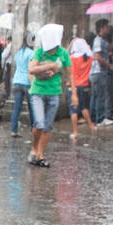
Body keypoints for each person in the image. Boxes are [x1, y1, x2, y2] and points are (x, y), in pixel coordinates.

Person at [27, 23, 73, 168]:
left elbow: (70, 74)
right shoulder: (39, 52)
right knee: (39, 123)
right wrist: (50, 66)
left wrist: (74, 93)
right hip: (38, 92)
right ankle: (34, 148)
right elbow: (31, 69)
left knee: (47, 126)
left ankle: (40, 155)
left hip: (54, 92)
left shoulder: (63, 53)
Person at [67, 36, 96, 141]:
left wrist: (71, 42)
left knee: (73, 109)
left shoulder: (71, 58)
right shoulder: (89, 58)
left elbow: (66, 53)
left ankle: (75, 132)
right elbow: (90, 52)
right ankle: (92, 126)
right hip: (84, 85)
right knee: (84, 107)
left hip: (72, 86)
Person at [90, 18, 113, 126]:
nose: (108, 29)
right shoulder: (97, 41)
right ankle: (100, 119)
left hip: (99, 72)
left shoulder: (102, 40)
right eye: (106, 26)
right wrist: (109, 65)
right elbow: (98, 57)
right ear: (102, 28)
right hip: (98, 71)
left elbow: (109, 49)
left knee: (97, 96)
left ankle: (95, 117)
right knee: (100, 96)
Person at [9, 31, 34, 138]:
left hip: (16, 81)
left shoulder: (18, 53)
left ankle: (14, 130)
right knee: (32, 107)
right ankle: (34, 129)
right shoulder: (31, 53)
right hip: (27, 82)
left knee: (17, 107)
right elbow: (30, 70)